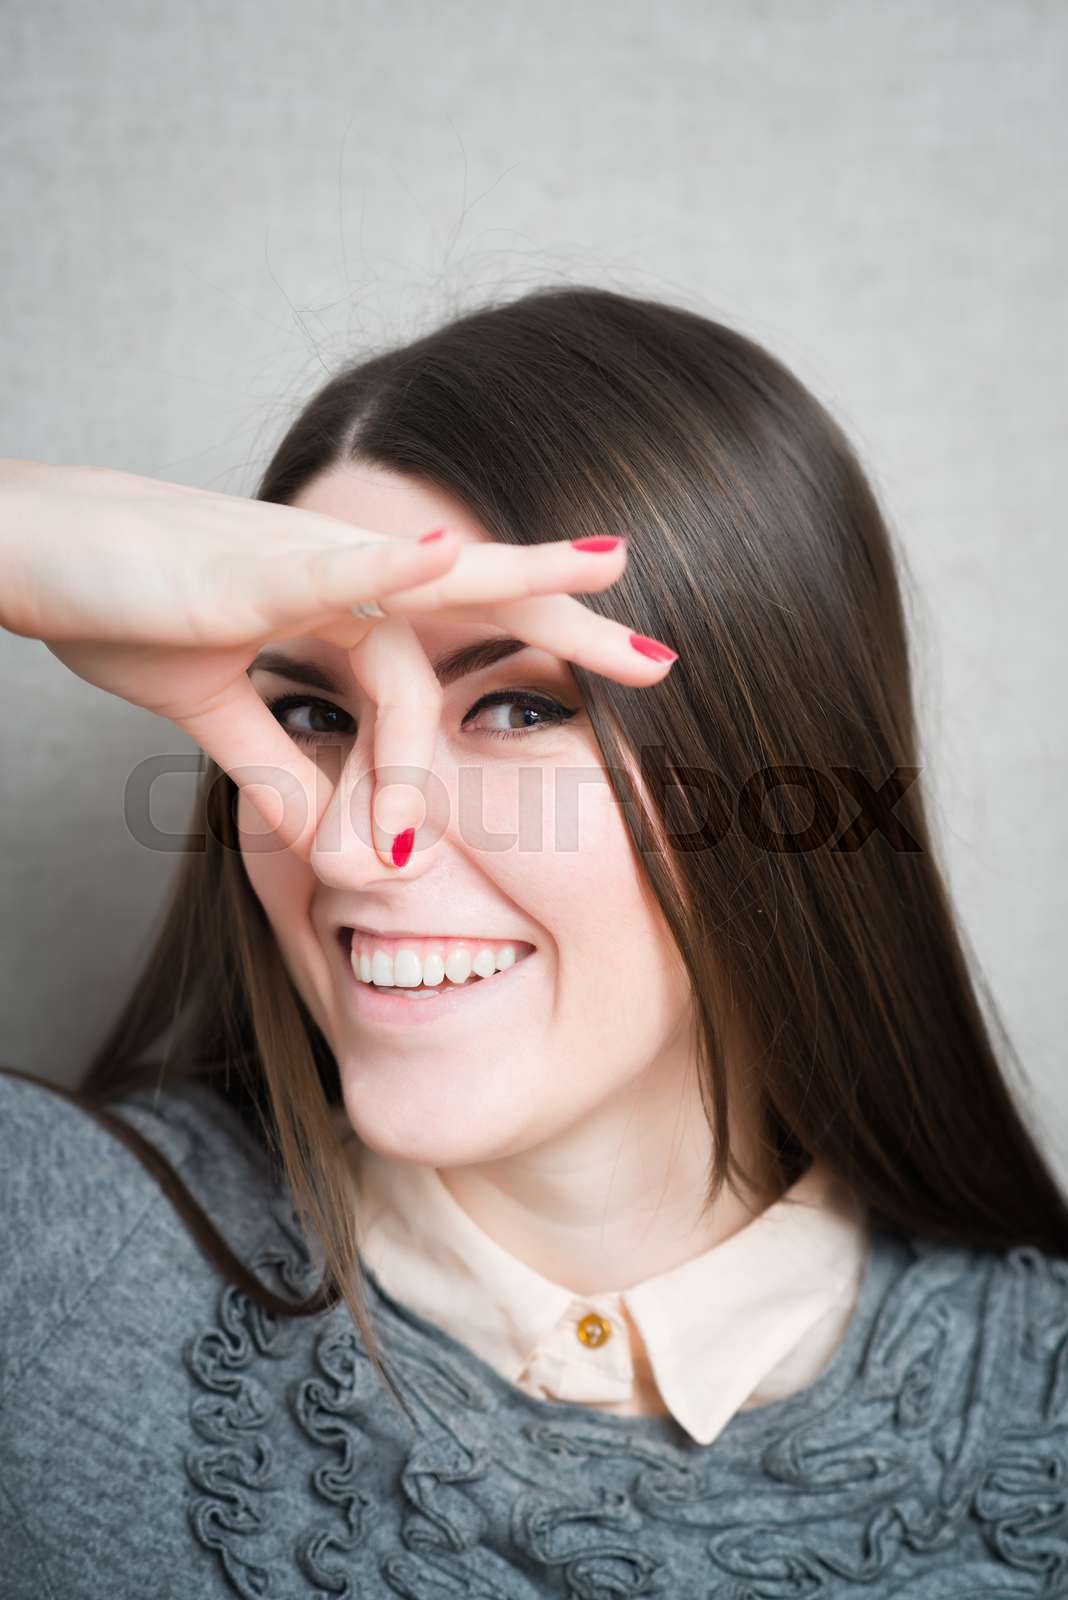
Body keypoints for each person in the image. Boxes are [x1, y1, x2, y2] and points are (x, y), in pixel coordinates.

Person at [2, 284, 1066, 1597]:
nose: (346, 842)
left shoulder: (1045, 1408)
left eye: (513, 710)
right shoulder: (45, 1265)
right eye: (311, 712)